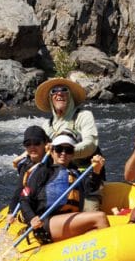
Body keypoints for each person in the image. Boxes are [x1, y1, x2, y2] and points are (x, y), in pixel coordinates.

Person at [24, 131, 109, 243]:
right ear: (52, 151)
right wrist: (31, 218)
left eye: (68, 150)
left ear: (72, 154)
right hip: (45, 224)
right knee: (100, 217)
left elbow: (91, 188)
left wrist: (97, 170)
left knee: (93, 233)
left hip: (68, 220)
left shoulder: (76, 174)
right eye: (59, 149)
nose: (63, 153)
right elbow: (24, 199)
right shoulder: (43, 171)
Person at [33, 77, 101, 212]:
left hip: (85, 178)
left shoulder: (83, 116)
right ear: (50, 98)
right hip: (56, 178)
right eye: (54, 91)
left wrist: (65, 152)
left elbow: (91, 144)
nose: (59, 94)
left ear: (70, 96)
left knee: (89, 214)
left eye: (64, 90)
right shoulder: (46, 125)